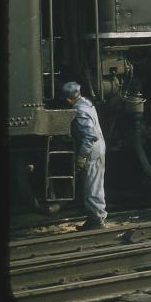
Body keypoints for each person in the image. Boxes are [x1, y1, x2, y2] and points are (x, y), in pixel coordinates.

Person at [59, 81, 108, 230]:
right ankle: (95, 217)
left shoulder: (78, 110)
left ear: (68, 99)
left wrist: (82, 156)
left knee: (92, 186)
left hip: (91, 150)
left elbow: (90, 135)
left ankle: (97, 221)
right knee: (94, 184)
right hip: (98, 147)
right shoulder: (87, 102)